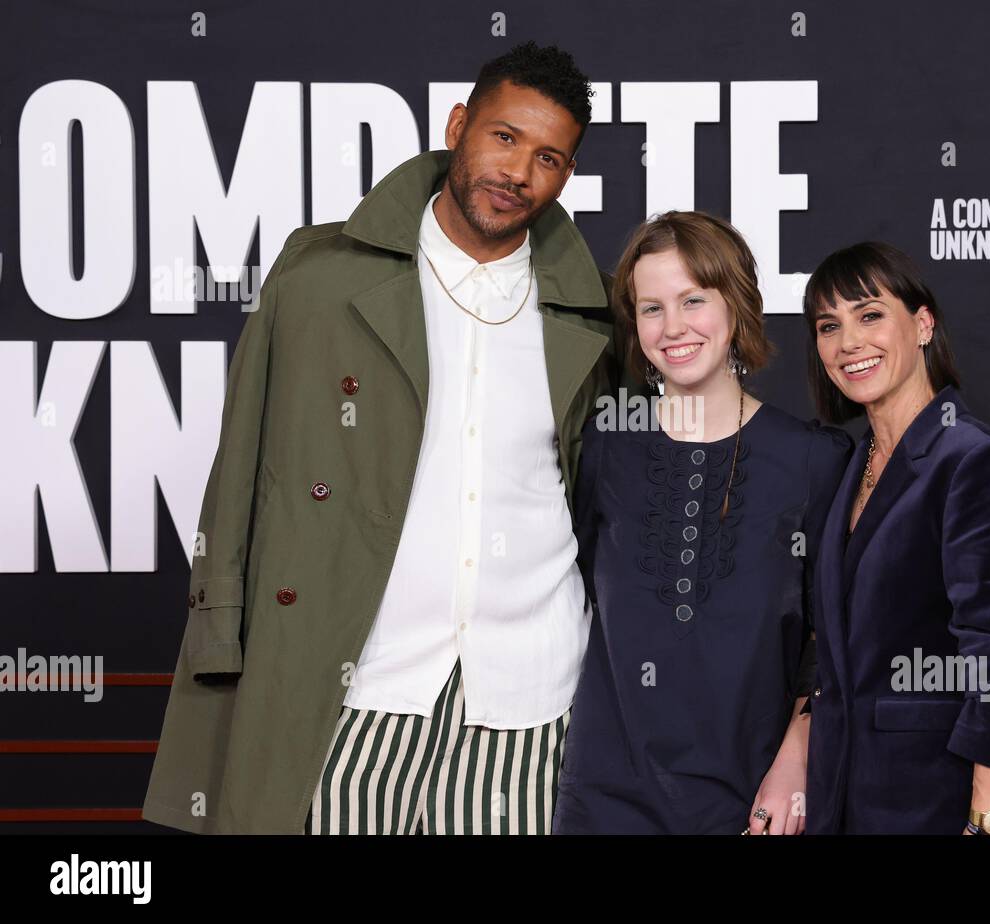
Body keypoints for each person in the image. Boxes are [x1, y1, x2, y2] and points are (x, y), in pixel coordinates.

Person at [143, 41, 643, 834]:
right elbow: (239, 466)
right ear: (457, 126)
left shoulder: (599, 313)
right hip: (357, 681)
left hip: (531, 693)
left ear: (567, 175)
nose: (518, 172)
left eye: (548, 157)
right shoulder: (318, 277)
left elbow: (617, 492)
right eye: (503, 137)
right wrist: (219, 632)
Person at [551, 211, 853, 834]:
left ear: (737, 306)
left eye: (694, 300)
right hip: (605, 798)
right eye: (651, 307)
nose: (674, 327)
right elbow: (568, 600)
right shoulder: (606, 445)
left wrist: (797, 758)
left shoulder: (814, 460)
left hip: (753, 795)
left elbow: (833, 637)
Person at [801, 241, 990, 835]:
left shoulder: (975, 461)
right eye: (828, 326)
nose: (849, 343)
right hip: (846, 797)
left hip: (942, 800)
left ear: (922, 324)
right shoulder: (849, 465)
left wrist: (989, 818)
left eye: (869, 315)